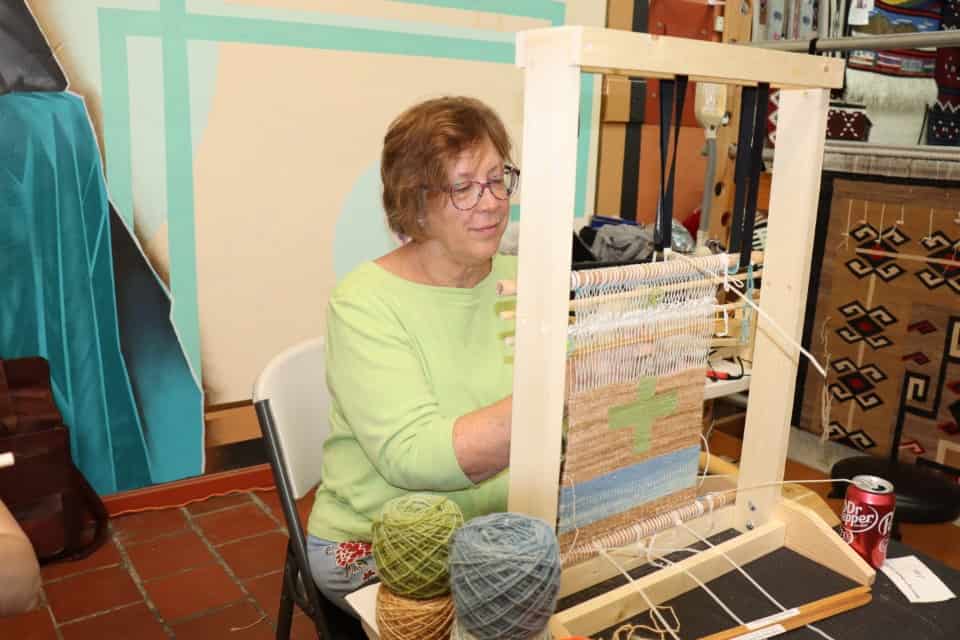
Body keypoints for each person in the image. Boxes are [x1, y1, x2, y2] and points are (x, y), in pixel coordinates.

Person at [305, 96, 520, 613]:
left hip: (501, 523)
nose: (490, 202)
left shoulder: (521, 279)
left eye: (497, 179)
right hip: (378, 541)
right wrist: (556, 394)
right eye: (464, 187)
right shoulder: (364, 302)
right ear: (415, 203)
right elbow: (415, 455)